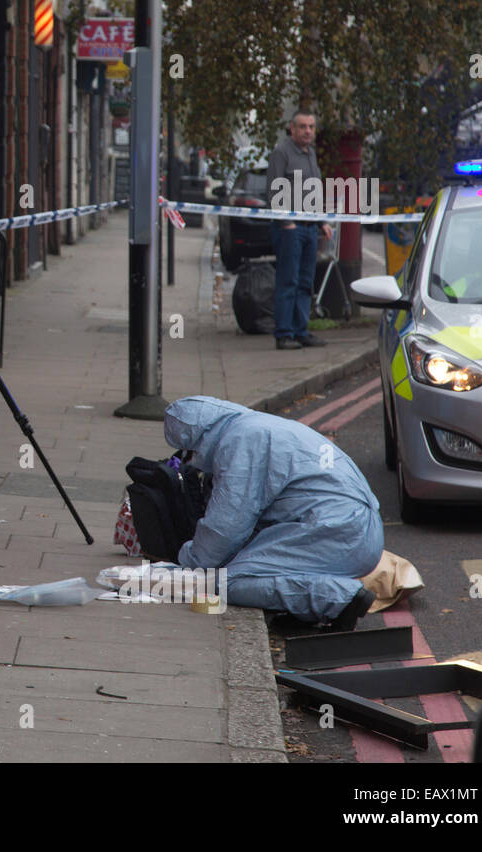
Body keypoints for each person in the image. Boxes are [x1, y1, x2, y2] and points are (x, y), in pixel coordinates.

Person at [164, 396, 382, 630]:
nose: (191, 461)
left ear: (196, 440)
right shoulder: (258, 426)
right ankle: (307, 609)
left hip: (336, 532)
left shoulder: (241, 441)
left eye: (188, 453)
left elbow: (226, 526)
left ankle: (340, 599)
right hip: (350, 529)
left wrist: (189, 561)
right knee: (254, 568)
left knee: (228, 581)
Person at [265, 110, 333, 349]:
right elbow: (273, 192)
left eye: (311, 127)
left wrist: (322, 222)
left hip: (309, 229)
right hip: (290, 229)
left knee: (305, 283)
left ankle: (301, 331)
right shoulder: (281, 153)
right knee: (288, 281)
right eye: (303, 127)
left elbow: (313, 193)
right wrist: (286, 222)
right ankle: (284, 334)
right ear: (292, 129)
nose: (307, 131)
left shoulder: (310, 154)